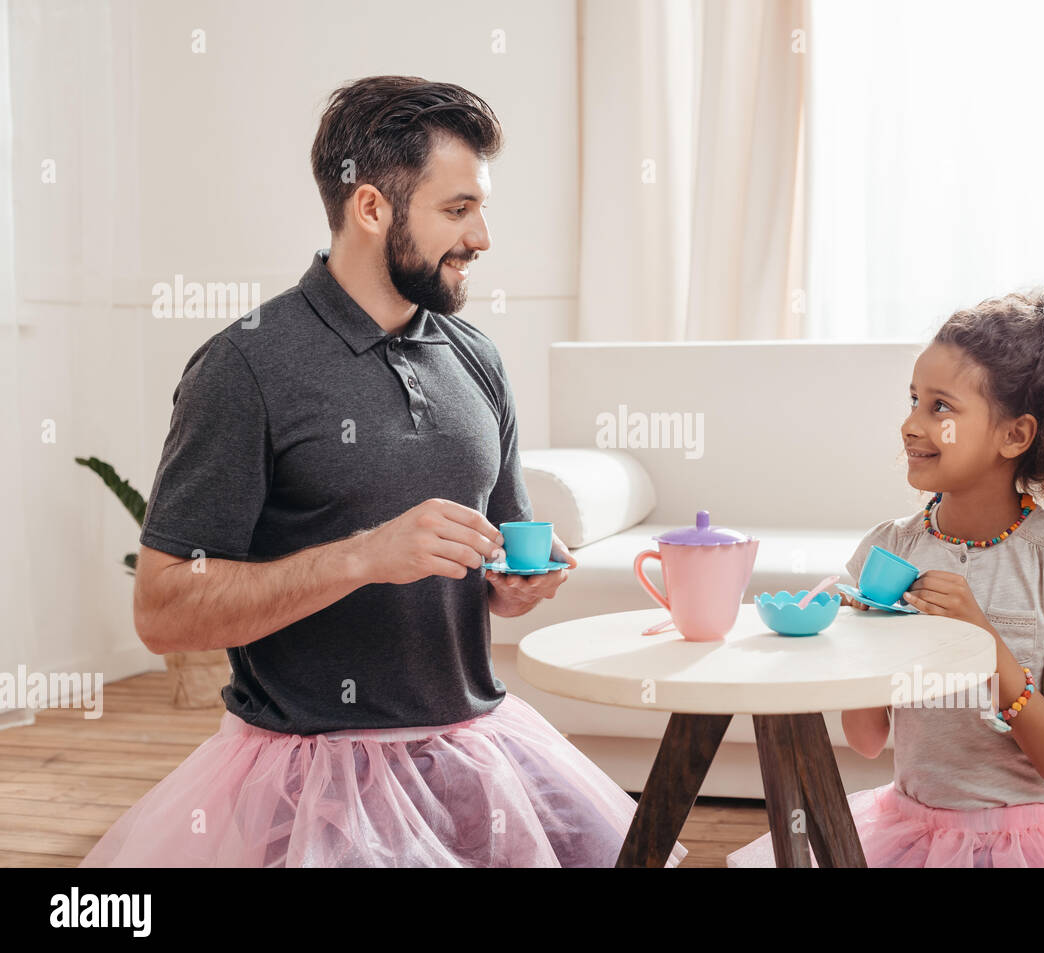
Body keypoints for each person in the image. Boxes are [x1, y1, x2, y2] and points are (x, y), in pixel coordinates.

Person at [79, 77, 684, 867]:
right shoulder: (244, 367)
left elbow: (498, 559)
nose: (484, 237)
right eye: (458, 209)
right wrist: (363, 556)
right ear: (372, 208)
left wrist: (514, 584)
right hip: (309, 778)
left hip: (478, 748)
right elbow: (163, 610)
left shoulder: (478, 358)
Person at [728, 288, 1044, 867]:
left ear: (1014, 436)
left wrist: (981, 639)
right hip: (912, 832)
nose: (910, 424)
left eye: (940, 408)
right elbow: (868, 739)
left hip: (1031, 845)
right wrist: (867, 640)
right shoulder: (889, 547)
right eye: (912, 400)